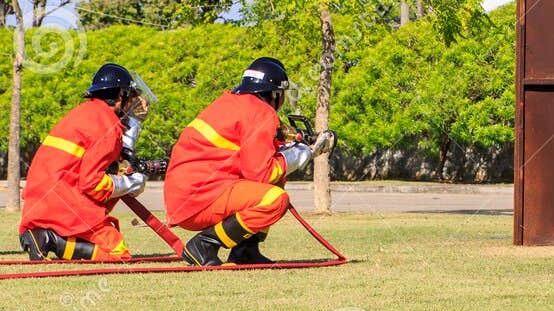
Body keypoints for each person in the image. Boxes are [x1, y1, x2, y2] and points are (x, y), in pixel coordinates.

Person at [164, 57, 334, 266]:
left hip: (188, 195)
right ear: (274, 94)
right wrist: (301, 155)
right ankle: (204, 244)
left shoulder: (232, 104)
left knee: (273, 185)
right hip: (200, 197)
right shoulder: (261, 113)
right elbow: (261, 173)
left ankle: (246, 249)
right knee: (275, 199)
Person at [19, 63, 155, 262]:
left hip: (41, 203)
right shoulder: (107, 125)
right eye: (131, 96)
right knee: (118, 254)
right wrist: (133, 182)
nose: (134, 102)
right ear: (120, 96)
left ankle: (46, 236)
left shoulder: (88, 113)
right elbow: (92, 182)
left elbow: (116, 158)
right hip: (63, 203)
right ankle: (50, 239)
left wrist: (134, 123)